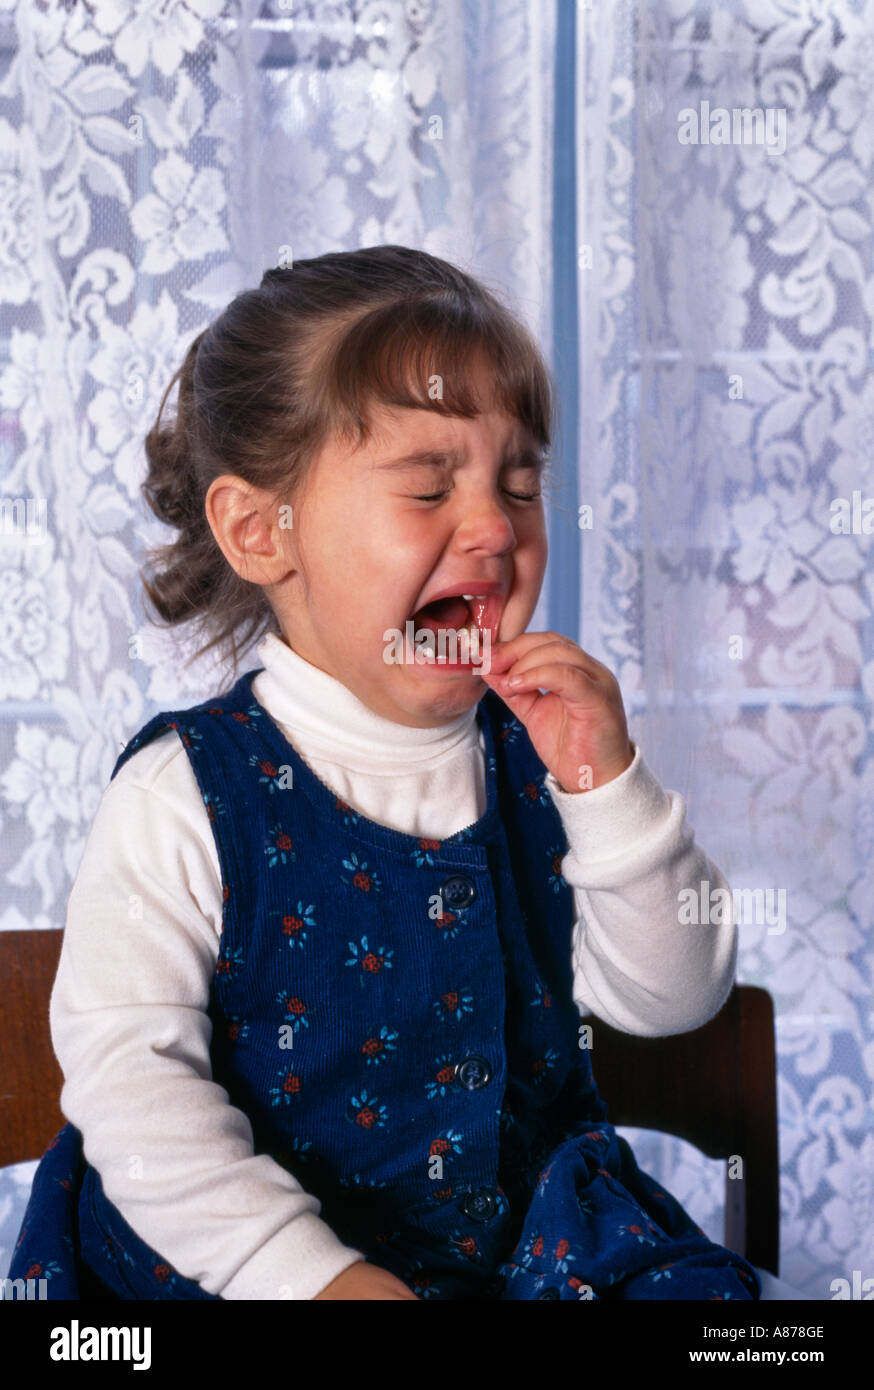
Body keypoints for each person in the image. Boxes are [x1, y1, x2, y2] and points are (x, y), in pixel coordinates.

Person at [10, 245, 761, 1301]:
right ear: (259, 530)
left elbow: (677, 999)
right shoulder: (182, 796)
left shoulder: (542, 763)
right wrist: (315, 1281)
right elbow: (137, 1093)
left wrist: (610, 787)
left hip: (524, 1253)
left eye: (520, 483)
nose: (497, 529)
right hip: (248, 1263)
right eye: (425, 487)